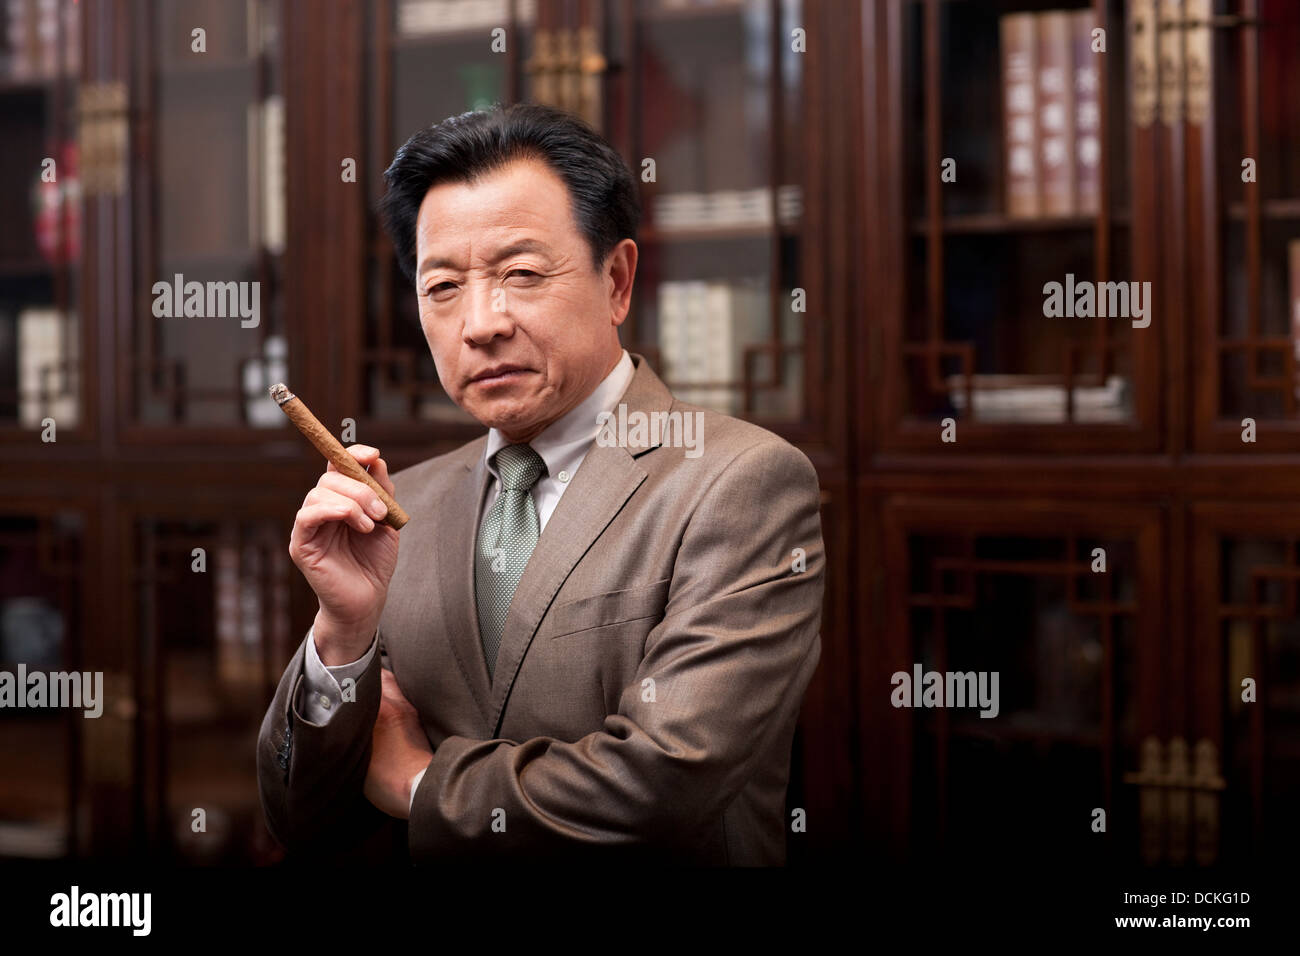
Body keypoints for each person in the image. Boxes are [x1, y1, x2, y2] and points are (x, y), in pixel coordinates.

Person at [256, 102, 824, 864]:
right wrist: (343, 635)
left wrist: (424, 786)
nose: (481, 323)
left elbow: (666, 780)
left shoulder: (740, 483)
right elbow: (299, 817)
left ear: (617, 279)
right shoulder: (403, 506)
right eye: (443, 286)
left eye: (520, 274)